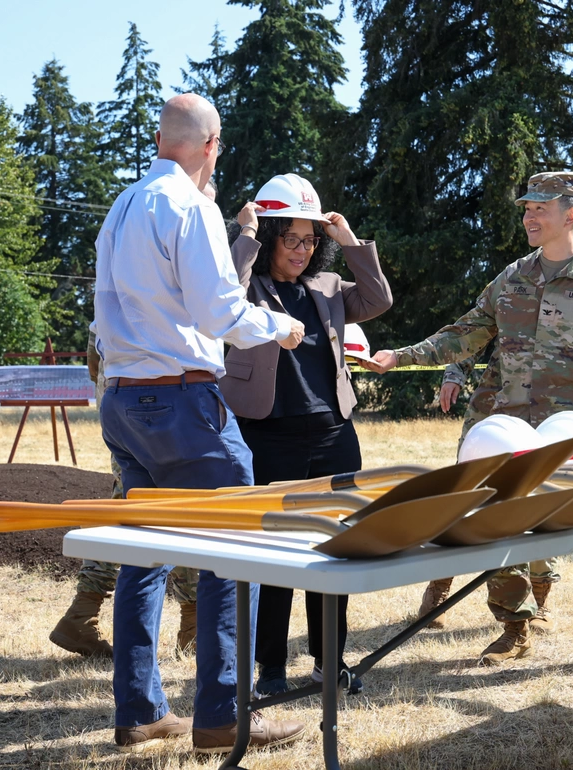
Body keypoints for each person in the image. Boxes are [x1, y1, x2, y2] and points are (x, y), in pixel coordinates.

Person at [362, 171, 573, 671]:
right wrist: (402, 356)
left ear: (571, 215)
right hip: (512, 424)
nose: (529, 217)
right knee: (499, 524)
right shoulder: (512, 277)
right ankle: (514, 627)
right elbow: (465, 333)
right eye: (526, 208)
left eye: (540, 209)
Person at [93, 93, 307, 754]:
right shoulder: (192, 207)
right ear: (211, 145)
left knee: (144, 557)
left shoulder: (123, 205)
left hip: (123, 400)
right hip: (182, 400)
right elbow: (220, 314)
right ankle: (222, 715)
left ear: (163, 140)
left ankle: (139, 713)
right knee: (234, 549)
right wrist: (282, 326)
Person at [218, 173, 392, 696]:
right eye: (290, 238)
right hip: (268, 435)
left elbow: (378, 298)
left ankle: (328, 661)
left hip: (335, 434)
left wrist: (350, 241)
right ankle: (270, 669)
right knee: (276, 557)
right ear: (271, 237)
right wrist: (246, 234)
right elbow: (223, 293)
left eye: (310, 240)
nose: (301, 250)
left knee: (334, 552)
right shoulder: (248, 288)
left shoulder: (329, 288)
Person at [47, 175, 219, 659]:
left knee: (136, 508)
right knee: (167, 510)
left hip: (124, 399)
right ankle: (188, 623)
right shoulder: (174, 263)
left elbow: (96, 360)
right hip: (160, 401)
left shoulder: (124, 261)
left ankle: (83, 614)